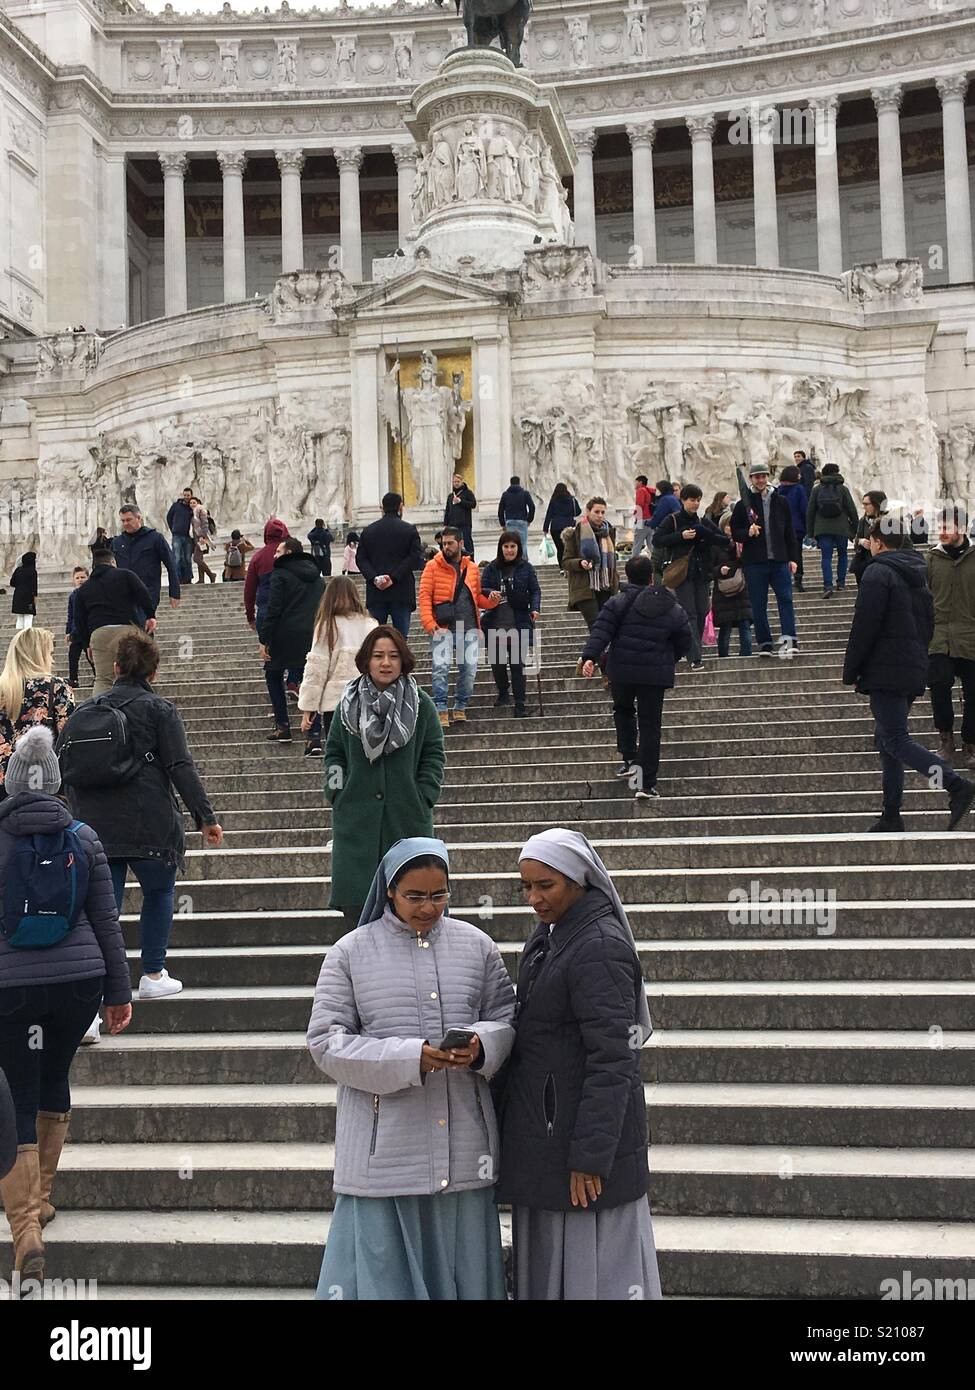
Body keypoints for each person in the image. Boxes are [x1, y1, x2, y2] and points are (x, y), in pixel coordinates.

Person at [306, 837, 516, 1301]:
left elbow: (507, 1020)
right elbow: (325, 1043)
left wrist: (482, 1046)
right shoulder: (350, 952)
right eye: (415, 896)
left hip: (464, 1145)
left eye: (439, 895)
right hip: (385, 1152)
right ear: (389, 892)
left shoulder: (477, 946)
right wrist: (410, 1057)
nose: (428, 908)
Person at [496, 829, 661, 1301]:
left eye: (545, 885)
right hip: (550, 1134)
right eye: (526, 886)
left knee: (593, 1270)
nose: (533, 898)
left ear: (577, 881)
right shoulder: (555, 935)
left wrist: (590, 1156)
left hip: (575, 1144)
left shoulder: (599, 946)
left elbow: (614, 1059)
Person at [0, 726, 132, 1281]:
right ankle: (44, 1199)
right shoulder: (84, 836)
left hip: (9, 986)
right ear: (56, 783)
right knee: (54, 1075)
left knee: (17, 1091)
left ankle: (24, 1226)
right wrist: (119, 991)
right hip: (77, 981)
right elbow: (106, 919)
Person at [60, 629, 223, 997]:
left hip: (95, 827)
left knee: (101, 910)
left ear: (115, 667)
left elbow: (64, 768)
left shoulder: (85, 712)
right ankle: (152, 975)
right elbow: (181, 766)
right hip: (150, 822)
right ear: (153, 674)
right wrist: (205, 817)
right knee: (160, 893)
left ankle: (96, 990)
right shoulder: (160, 710)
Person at [842, 519, 975, 833]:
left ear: (877, 541)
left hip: (886, 668)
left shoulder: (878, 572)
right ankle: (891, 813)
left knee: (896, 739)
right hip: (913, 665)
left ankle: (955, 785)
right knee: (886, 738)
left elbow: (865, 624)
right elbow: (930, 621)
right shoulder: (917, 572)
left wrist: (851, 669)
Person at [324, 626, 445, 928]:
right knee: (358, 919)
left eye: (393, 656)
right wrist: (336, 791)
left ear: (403, 661)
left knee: (410, 908)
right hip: (356, 823)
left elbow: (433, 753)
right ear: (366, 660)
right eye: (378, 656)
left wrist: (424, 794)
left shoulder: (421, 705)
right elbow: (334, 754)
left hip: (406, 818)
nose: (386, 663)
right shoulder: (347, 704)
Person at [580, 555, 691, 797]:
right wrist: (668, 658)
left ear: (627, 577)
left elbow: (601, 631)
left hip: (622, 671)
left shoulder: (617, 602)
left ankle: (630, 759)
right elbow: (685, 638)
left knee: (623, 710)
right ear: (652, 577)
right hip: (654, 673)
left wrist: (589, 656)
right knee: (650, 726)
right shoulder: (669, 605)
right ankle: (646, 784)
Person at [419, 528, 499, 728]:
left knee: (469, 671)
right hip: (443, 628)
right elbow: (424, 598)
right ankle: (441, 708)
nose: (445, 547)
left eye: (450, 543)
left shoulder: (471, 567)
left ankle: (460, 706)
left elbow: (477, 596)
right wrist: (431, 625)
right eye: (443, 544)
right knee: (440, 669)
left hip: (469, 627)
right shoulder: (431, 567)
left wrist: (491, 602)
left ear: (461, 543)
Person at [298, 576, 376, 756]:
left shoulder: (326, 626)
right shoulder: (370, 625)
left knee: (339, 756)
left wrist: (309, 708)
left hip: (336, 702)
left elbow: (316, 670)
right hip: (365, 699)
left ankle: (339, 783)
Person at [258, 537, 325, 744]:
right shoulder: (317, 576)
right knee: (310, 680)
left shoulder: (280, 574)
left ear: (288, 553)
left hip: (283, 634)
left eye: (278, 551)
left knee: (273, 675)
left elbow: (274, 608)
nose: (274, 554)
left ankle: (283, 726)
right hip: (312, 633)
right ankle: (314, 735)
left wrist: (264, 638)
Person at [652, 483, 726, 671]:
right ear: (683, 500)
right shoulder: (673, 520)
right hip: (682, 573)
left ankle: (694, 650)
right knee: (690, 613)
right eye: (692, 500)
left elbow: (720, 539)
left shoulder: (702, 521)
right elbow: (657, 540)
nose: (695, 504)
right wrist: (680, 536)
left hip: (702, 573)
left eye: (698, 500)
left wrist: (706, 536)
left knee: (702, 611)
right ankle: (695, 656)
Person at [730, 463, 799, 657]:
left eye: (763, 476)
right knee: (758, 605)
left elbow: (789, 532)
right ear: (751, 479)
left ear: (767, 477)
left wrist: (793, 558)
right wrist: (747, 532)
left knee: (785, 600)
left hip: (779, 559)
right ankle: (764, 642)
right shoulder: (743, 503)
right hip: (755, 561)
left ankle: (790, 640)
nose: (760, 480)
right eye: (756, 477)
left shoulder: (780, 500)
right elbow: (735, 532)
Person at [926, 508, 975, 769]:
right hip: (939, 637)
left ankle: (971, 742)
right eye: (940, 527)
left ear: (962, 529)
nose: (943, 532)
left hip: (971, 636)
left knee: (974, 693)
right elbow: (923, 596)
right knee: (940, 685)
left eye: (948, 527)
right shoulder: (932, 559)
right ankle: (945, 738)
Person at [71, 548, 155, 698]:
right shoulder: (126, 575)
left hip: (99, 633)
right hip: (127, 630)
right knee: (137, 676)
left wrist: (86, 644)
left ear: (94, 566)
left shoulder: (85, 588)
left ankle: (100, 714)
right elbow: (143, 594)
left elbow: (79, 619)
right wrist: (150, 616)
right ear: (113, 562)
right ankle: (142, 707)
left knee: (103, 679)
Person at [0, 629, 73, 800]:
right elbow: (66, 736)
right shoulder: (57, 687)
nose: (52, 659)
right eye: (50, 653)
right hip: (41, 778)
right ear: (39, 655)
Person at [480, 530, 541, 718]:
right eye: (506, 546)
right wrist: (489, 592)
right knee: (498, 664)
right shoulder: (492, 568)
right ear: (501, 548)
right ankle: (503, 691)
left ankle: (520, 703)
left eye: (513, 546)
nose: (509, 550)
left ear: (518, 548)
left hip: (518, 622)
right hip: (495, 622)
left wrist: (535, 608)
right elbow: (480, 588)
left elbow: (535, 590)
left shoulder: (527, 568)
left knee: (517, 664)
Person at [355, 493, 424, 639]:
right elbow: (414, 557)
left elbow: (360, 558)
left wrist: (374, 578)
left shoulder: (368, 531)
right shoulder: (409, 530)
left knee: (376, 638)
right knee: (401, 638)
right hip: (401, 590)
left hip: (376, 591)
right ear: (400, 506)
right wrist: (394, 577)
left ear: (382, 508)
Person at [111, 504, 181, 614]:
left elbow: (171, 564)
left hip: (147, 593)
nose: (125, 524)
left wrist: (174, 592)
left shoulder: (155, 538)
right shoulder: (117, 542)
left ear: (139, 518)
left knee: (143, 627)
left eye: (129, 520)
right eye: (123, 520)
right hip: (122, 594)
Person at [562, 497, 619, 631]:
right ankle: (598, 652)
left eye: (603, 512)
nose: (600, 516)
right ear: (588, 511)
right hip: (584, 587)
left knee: (607, 626)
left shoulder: (608, 533)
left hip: (606, 586)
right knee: (596, 626)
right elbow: (565, 561)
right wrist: (580, 563)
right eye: (596, 512)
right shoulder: (575, 533)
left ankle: (602, 651)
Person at [806, 461, 859, 597]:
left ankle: (828, 585)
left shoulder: (817, 489)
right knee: (843, 554)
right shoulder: (843, 489)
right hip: (841, 527)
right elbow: (851, 509)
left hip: (822, 528)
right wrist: (856, 529)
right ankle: (841, 583)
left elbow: (810, 511)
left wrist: (811, 531)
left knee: (826, 557)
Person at [711, 513, 753, 657]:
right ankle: (723, 655)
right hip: (723, 591)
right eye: (728, 525)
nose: (730, 528)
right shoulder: (715, 545)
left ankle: (747, 654)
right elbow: (709, 568)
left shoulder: (743, 543)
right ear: (723, 526)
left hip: (741, 588)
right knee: (725, 627)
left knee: (745, 624)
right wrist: (719, 570)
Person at [775, 465, 809, 591]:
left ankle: (784, 578)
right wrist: (807, 526)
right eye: (798, 474)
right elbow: (804, 508)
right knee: (797, 553)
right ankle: (798, 579)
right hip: (797, 527)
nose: (800, 476)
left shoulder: (778, 490)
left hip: (781, 527)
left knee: (784, 552)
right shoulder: (799, 489)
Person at [64, 565, 94, 690]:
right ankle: (73, 679)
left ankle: (98, 675)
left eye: (83, 577)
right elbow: (70, 614)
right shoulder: (72, 596)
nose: (80, 580)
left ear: (88, 578)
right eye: (77, 578)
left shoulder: (92, 593)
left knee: (91, 656)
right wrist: (68, 632)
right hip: (76, 632)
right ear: (73, 580)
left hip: (88, 631)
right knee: (73, 656)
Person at [647, 480, 682, 581]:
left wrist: (648, 523)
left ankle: (659, 590)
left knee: (657, 565)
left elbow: (658, 517)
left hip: (664, 535)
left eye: (657, 489)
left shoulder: (665, 500)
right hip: (673, 535)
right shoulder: (672, 499)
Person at [542, 482, 581, 571]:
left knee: (560, 548)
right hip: (569, 526)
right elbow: (578, 511)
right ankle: (570, 566)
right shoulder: (572, 500)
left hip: (555, 527)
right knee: (569, 547)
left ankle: (562, 567)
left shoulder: (553, 501)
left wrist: (545, 528)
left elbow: (549, 515)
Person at [852, 491, 887, 586]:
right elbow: (856, 541)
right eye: (863, 504)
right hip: (866, 565)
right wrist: (861, 541)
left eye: (867, 504)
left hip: (885, 564)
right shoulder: (863, 521)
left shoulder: (890, 521)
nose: (864, 507)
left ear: (876, 504)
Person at [497, 474, 535, 553]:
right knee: (523, 544)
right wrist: (529, 520)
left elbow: (500, 510)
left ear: (510, 483)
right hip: (522, 521)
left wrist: (502, 524)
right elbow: (532, 507)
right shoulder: (525, 493)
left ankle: (512, 562)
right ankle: (524, 562)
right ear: (519, 483)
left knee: (511, 544)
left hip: (510, 521)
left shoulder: (505, 494)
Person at [166, 487, 195, 586]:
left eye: (188, 495)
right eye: (185, 495)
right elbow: (169, 517)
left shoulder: (192, 507)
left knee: (187, 558)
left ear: (191, 495)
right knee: (177, 557)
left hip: (188, 536)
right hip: (177, 535)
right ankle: (177, 579)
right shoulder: (176, 506)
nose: (186, 497)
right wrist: (173, 528)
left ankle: (187, 578)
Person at [443, 472, 477, 557]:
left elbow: (473, 504)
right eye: (454, 482)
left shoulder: (468, 493)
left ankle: (470, 558)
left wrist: (461, 501)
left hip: (465, 524)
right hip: (452, 525)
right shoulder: (450, 496)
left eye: (458, 481)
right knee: (454, 543)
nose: (456, 483)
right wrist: (446, 524)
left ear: (461, 482)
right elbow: (447, 510)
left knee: (467, 542)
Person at [190, 497, 216, 584]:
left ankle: (211, 574)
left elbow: (204, 524)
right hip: (196, 538)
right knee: (199, 558)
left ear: (198, 503)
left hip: (201, 538)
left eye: (194, 502)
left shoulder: (200, 511)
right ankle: (201, 579)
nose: (192, 504)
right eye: (191, 503)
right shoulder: (194, 512)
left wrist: (202, 536)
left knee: (196, 558)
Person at [9, 553, 37, 631]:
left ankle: (18, 637)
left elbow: (12, 582)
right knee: (28, 616)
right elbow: (34, 587)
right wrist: (34, 598)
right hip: (28, 597)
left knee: (20, 617)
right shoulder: (32, 571)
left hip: (17, 596)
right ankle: (27, 637)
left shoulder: (18, 570)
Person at [630, 475, 657, 559]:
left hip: (642, 519)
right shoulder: (651, 491)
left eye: (636, 482)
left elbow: (639, 504)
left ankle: (633, 563)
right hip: (651, 519)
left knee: (637, 543)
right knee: (651, 544)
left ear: (640, 482)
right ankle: (657, 560)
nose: (635, 484)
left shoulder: (640, 490)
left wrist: (635, 515)